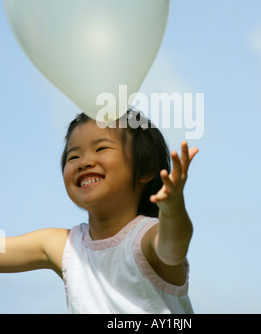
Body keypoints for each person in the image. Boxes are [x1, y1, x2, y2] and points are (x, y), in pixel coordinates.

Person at [0, 109, 198, 314]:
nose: (84, 162)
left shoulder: (145, 237)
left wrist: (173, 210)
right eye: (73, 156)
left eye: (101, 148)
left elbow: (174, 246)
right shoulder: (67, 246)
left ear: (146, 169)